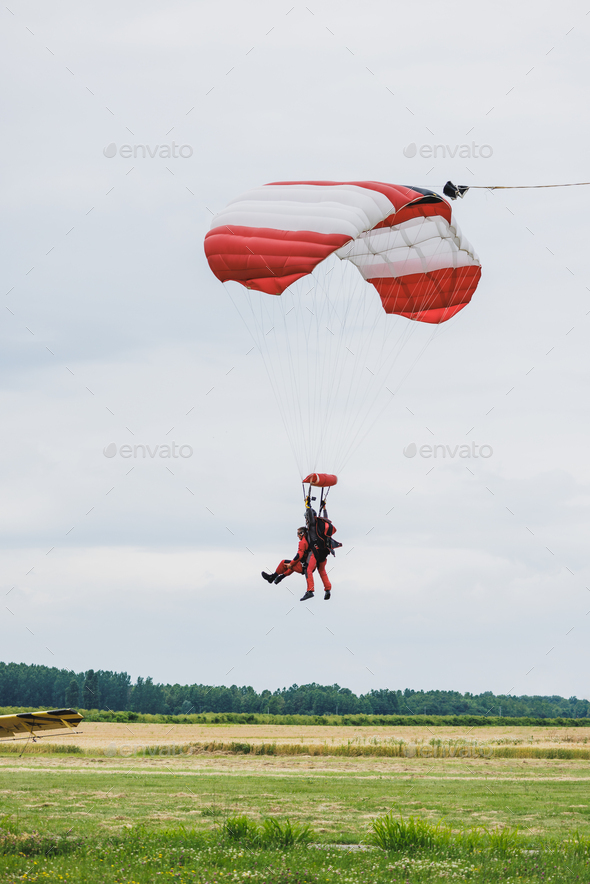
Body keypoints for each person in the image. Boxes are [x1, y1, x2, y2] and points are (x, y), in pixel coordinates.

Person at [262, 526, 331, 601]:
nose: (297, 536)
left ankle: (310, 591)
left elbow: (299, 556)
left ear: (302, 534)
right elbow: (295, 564)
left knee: (283, 562)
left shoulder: (303, 542)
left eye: (298, 534)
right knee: (322, 571)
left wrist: (291, 564)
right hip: (318, 559)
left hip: (306, 566)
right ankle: (328, 590)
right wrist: (282, 576)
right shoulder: (312, 540)